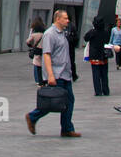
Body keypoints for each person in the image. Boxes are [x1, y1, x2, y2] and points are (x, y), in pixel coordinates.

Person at [24, 8, 79, 138]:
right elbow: (47, 55)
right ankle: (32, 116)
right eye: (65, 18)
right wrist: (50, 75)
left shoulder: (63, 33)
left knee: (69, 100)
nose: (68, 20)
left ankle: (67, 128)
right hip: (56, 74)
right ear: (57, 19)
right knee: (53, 101)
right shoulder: (50, 34)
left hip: (65, 74)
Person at [83, 15, 111, 97]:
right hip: (104, 54)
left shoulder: (92, 32)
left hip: (95, 55)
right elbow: (107, 40)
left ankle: (98, 91)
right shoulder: (105, 32)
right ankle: (106, 90)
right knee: (104, 74)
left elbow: (85, 38)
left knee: (96, 74)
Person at [25, 17, 46, 85]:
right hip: (43, 51)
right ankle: (44, 79)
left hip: (37, 50)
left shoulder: (34, 35)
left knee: (36, 64)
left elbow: (27, 41)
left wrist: (31, 45)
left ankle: (38, 80)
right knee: (43, 64)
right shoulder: (45, 34)